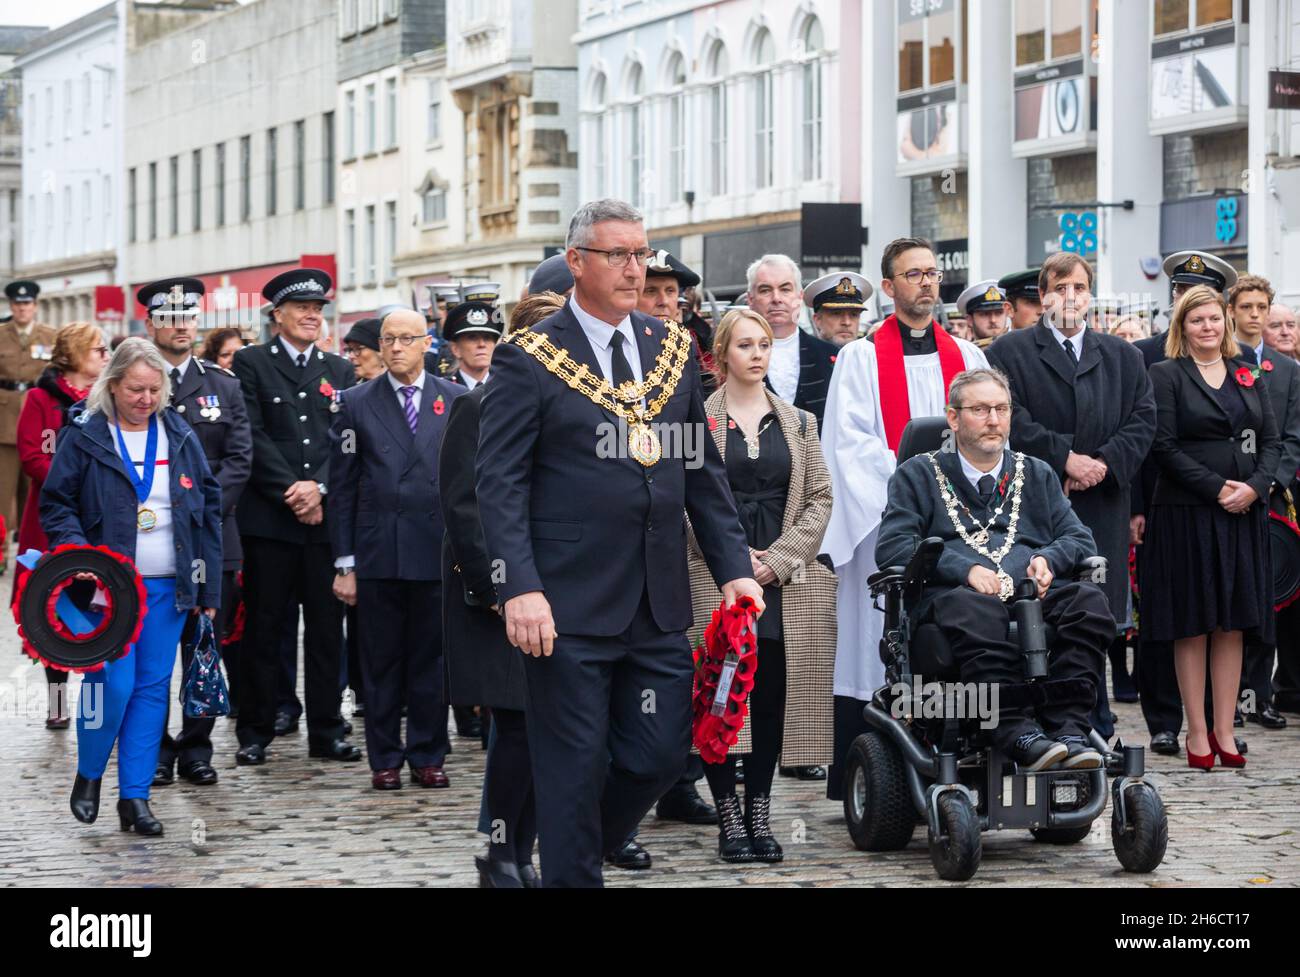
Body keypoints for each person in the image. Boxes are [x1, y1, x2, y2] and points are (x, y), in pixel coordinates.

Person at [476, 198, 761, 888]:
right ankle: (571, 866)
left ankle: (576, 847)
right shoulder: (531, 357)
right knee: (571, 764)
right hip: (566, 603)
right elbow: (499, 483)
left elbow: (700, 469)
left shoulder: (669, 346)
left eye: (642, 254)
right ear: (577, 262)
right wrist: (519, 586)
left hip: (655, 599)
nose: (637, 269)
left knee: (659, 756)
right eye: (619, 255)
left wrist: (733, 566)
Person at [876, 368, 1113, 769]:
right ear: (953, 418)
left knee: (1087, 601)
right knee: (974, 608)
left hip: (1030, 595)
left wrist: (1047, 560)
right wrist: (962, 569)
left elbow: (1079, 538)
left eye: (1001, 409)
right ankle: (1013, 729)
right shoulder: (917, 473)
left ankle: (1069, 729)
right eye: (980, 409)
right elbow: (894, 547)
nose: (993, 420)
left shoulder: (1035, 472)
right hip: (956, 601)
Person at [819, 236, 987, 800]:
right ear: (888, 288)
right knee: (876, 640)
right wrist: (911, 499)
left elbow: (990, 434)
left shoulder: (969, 358)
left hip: (960, 526)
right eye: (913, 274)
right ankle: (872, 774)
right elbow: (849, 444)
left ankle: (960, 754)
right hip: (885, 526)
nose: (927, 282)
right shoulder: (861, 358)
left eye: (933, 273)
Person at [41, 339, 222, 834]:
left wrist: (206, 591)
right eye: (135, 389)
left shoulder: (178, 432)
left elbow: (208, 510)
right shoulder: (85, 433)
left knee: (150, 690)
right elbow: (56, 503)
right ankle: (90, 772)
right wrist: (77, 550)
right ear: (112, 385)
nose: (146, 398)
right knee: (111, 685)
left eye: (154, 388)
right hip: (108, 587)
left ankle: (135, 798)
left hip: (169, 585)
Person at [987, 252, 1156, 741]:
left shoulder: (1123, 356)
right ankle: (1038, 718)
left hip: (1101, 503)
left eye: (1079, 288)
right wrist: (1064, 458)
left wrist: (1102, 463)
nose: (1070, 298)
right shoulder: (1010, 352)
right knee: (1038, 608)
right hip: (1035, 501)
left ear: (1090, 294)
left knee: (1095, 611)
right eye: (1060, 289)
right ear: (1043, 296)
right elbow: (1007, 416)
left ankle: (1093, 717)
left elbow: (1143, 419)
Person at [687, 308, 836, 863]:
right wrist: (732, 563)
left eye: (765, 345)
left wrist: (776, 560)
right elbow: (682, 501)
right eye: (745, 344)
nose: (757, 354)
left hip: (781, 583)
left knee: (771, 697)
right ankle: (727, 814)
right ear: (721, 353)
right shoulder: (696, 422)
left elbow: (820, 499)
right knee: (721, 698)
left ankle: (759, 812)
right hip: (715, 580)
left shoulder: (798, 422)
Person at [441, 292, 561, 888]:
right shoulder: (478, 405)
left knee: (549, 726)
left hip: (557, 590)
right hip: (497, 596)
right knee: (515, 726)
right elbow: (465, 507)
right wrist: (500, 585)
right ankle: (497, 849)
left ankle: (525, 847)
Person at [1142, 286, 1280, 769]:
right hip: (1187, 514)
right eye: (1197, 320)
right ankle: (1196, 733)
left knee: (1233, 622)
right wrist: (1218, 487)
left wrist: (1256, 487)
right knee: (1193, 623)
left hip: (1244, 514)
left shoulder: (1247, 372)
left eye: (1214, 319)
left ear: (1225, 323)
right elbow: (1163, 447)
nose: (1208, 327)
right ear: (1183, 326)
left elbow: (1272, 440)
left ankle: (1226, 729)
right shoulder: (1165, 374)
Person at [231, 268, 360, 766]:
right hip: (271, 519)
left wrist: (320, 486)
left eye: (318, 309)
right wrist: (292, 489)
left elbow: (345, 439)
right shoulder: (252, 363)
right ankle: (257, 728)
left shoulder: (339, 370)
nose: (312, 316)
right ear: (276, 316)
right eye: (302, 309)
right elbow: (251, 435)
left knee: (328, 632)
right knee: (265, 628)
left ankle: (327, 729)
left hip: (324, 520)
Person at [329, 310, 463, 790]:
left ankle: (429, 753)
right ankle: (384, 757)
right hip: (378, 550)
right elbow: (342, 488)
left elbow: (469, 485)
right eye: (388, 340)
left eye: (407, 338)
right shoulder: (355, 403)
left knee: (433, 661)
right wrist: (345, 562)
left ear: (427, 343)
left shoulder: (457, 400)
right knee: (380, 661)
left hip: (436, 551)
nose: (397, 347)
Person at [137, 279, 252, 788]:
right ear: (151, 325)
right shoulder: (137, 384)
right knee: (154, 657)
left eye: (188, 317)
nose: (181, 326)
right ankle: (155, 750)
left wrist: (200, 512)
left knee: (205, 646)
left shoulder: (222, 385)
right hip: (155, 541)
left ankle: (197, 748)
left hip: (211, 540)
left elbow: (238, 458)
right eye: (170, 318)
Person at [1131, 250, 1240, 756]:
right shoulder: (1149, 356)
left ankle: (1220, 723)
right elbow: (1141, 437)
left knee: (1222, 615)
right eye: (1182, 293)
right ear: (1174, 300)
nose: (1201, 318)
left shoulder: (1238, 363)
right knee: (1172, 613)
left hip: (1231, 505)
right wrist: (1137, 505)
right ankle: (1164, 719)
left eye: (1209, 305)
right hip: (1166, 499)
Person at [636, 249, 719, 827]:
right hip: (642, 544)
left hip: (691, 544)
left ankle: (680, 783)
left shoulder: (691, 358)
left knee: (694, 671)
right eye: (654, 292)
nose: (666, 305)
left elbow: (703, 464)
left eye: (673, 296)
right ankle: (626, 805)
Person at [14, 322, 109, 728]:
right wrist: (69, 480)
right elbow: (31, 453)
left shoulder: (107, 398)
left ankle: (98, 699)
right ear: (74, 354)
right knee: (51, 611)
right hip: (49, 520)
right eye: (98, 350)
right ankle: (57, 701)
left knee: (100, 608)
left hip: (99, 518)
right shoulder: (39, 398)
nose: (106, 356)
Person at [1225, 275, 1300, 732]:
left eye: (1261, 307)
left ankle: (1260, 695)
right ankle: (1228, 698)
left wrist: (1267, 483)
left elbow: (1292, 436)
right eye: (1247, 307)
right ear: (1233, 310)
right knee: (1230, 596)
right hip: (1224, 492)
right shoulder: (1217, 358)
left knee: (1268, 597)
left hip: (1268, 498)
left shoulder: (1286, 370)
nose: (1254, 315)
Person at [746, 255, 839, 425]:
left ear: (799, 297)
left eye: (785, 289)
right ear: (750, 300)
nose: (776, 298)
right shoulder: (731, 357)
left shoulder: (830, 356)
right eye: (765, 290)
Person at [1, 280, 59, 537]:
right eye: (17, 304)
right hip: (4, 418)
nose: (22, 309)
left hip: (40, 420)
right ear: (11, 306)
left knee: (36, 487)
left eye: (26, 304)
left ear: (35, 306)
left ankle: (32, 548)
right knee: (3, 490)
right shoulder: (1, 335)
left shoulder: (50, 336)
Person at [443, 302, 502, 390]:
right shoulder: (445, 390)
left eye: (487, 338)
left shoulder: (506, 386)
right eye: (472, 338)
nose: (481, 344)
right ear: (455, 349)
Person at [805, 272, 871, 347]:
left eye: (854, 314)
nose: (847, 322)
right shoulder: (803, 357)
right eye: (836, 313)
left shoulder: (870, 357)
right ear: (817, 320)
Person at [956, 280, 1010, 348]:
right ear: (970, 320)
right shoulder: (965, 355)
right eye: (985, 314)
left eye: (999, 313)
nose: (993, 320)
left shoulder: (1019, 348)